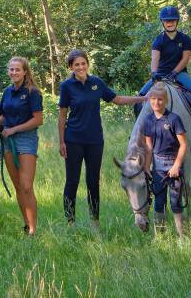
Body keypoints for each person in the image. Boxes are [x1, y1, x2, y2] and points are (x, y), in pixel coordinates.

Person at [58, 49, 146, 228]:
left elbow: (117, 99)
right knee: (72, 181)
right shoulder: (67, 87)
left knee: (93, 181)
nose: (81, 67)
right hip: (73, 140)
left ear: (87, 64)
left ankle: (95, 221)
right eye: (77, 64)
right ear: (71, 67)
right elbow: (62, 116)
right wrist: (61, 141)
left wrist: (143, 98)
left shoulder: (96, 83)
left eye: (83, 63)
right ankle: (70, 222)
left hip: (95, 140)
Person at [138, 5, 191, 138]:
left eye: (173, 20)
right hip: (161, 74)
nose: (170, 23)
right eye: (167, 21)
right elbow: (154, 58)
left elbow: (185, 59)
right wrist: (154, 73)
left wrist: (174, 73)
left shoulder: (185, 39)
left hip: (179, 73)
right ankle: (139, 130)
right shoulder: (159, 40)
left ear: (177, 21)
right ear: (163, 22)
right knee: (140, 96)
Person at [0, 57, 43, 235]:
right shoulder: (7, 92)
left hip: (25, 138)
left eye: (17, 69)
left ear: (25, 72)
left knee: (26, 186)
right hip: (8, 139)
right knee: (17, 185)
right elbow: (3, 116)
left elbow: (38, 119)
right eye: (11, 69)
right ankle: (26, 225)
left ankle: (33, 230)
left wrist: (14, 129)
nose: (14, 72)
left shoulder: (33, 92)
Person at [139, 83, 190, 236]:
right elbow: (149, 147)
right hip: (158, 169)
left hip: (173, 168)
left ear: (166, 101)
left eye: (160, 99)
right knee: (159, 203)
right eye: (153, 99)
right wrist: (147, 167)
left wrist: (176, 166)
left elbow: (183, 144)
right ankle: (160, 237)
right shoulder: (148, 121)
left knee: (175, 203)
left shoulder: (174, 119)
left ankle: (182, 237)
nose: (156, 102)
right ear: (149, 100)